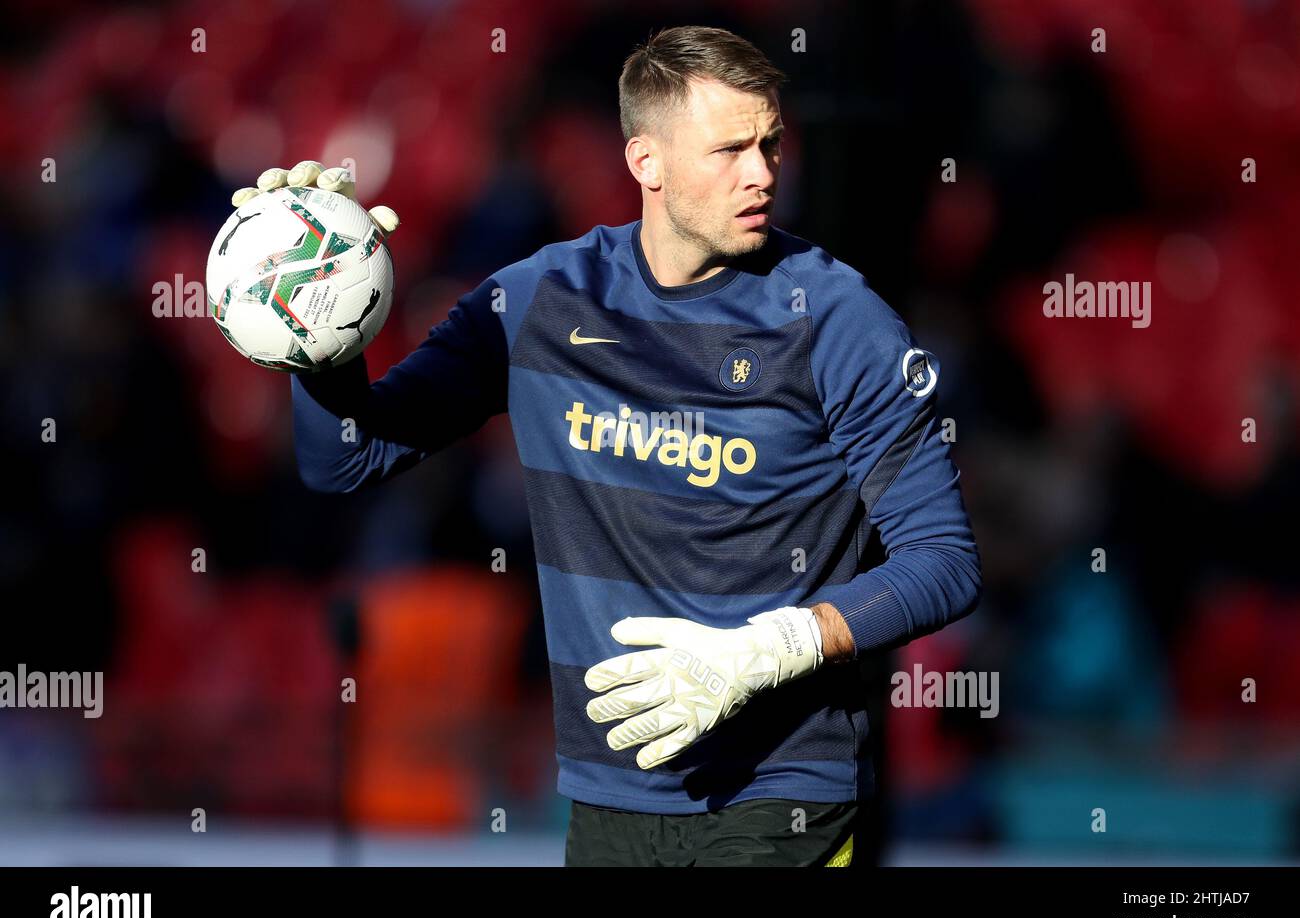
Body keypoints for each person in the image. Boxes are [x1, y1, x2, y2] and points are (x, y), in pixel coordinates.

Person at [237, 25, 981, 866]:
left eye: (771, 144)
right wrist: (317, 323)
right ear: (645, 163)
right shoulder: (538, 302)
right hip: (607, 801)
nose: (762, 172)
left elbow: (945, 564)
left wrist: (767, 651)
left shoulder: (838, 320)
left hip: (783, 800)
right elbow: (343, 458)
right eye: (729, 149)